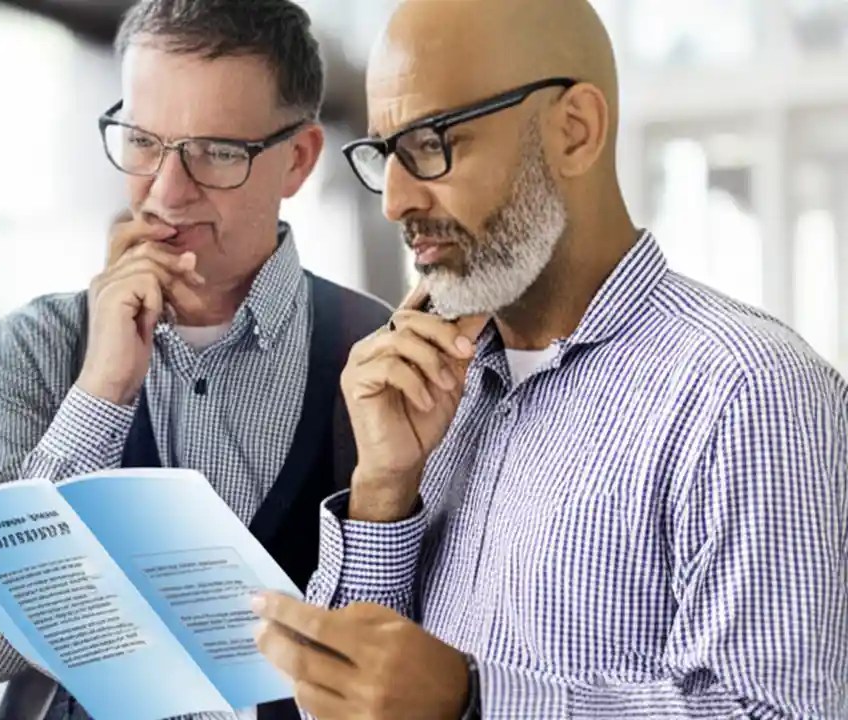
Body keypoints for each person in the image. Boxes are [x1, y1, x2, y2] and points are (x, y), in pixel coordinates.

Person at [250, 0, 848, 718]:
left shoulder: (749, 393)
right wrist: (383, 490)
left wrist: (474, 702)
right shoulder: (433, 393)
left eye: (433, 142)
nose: (396, 201)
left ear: (575, 131)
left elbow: (776, 711)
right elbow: (340, 704)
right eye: (386, 155)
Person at [0, 1, 390, 718]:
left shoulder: (374, 356)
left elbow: (396, 649)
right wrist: (101, 392)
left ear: (299, 159)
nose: (168, 192)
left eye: (217, 152)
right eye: (143, 141)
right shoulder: (40, 345)